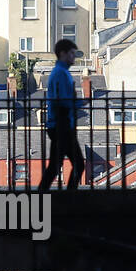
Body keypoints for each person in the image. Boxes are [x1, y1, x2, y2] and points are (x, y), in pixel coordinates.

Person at [37, 39, 86, 191]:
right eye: (71, 53)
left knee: (55, 165)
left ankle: (43, 195)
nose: (74, 57)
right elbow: (63, 101)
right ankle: (69, 198)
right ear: (63, 54)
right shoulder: (61, 74)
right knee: (77, 163)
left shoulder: (60, 72)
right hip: (62, 125)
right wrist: (80, 103)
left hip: (58, 124)